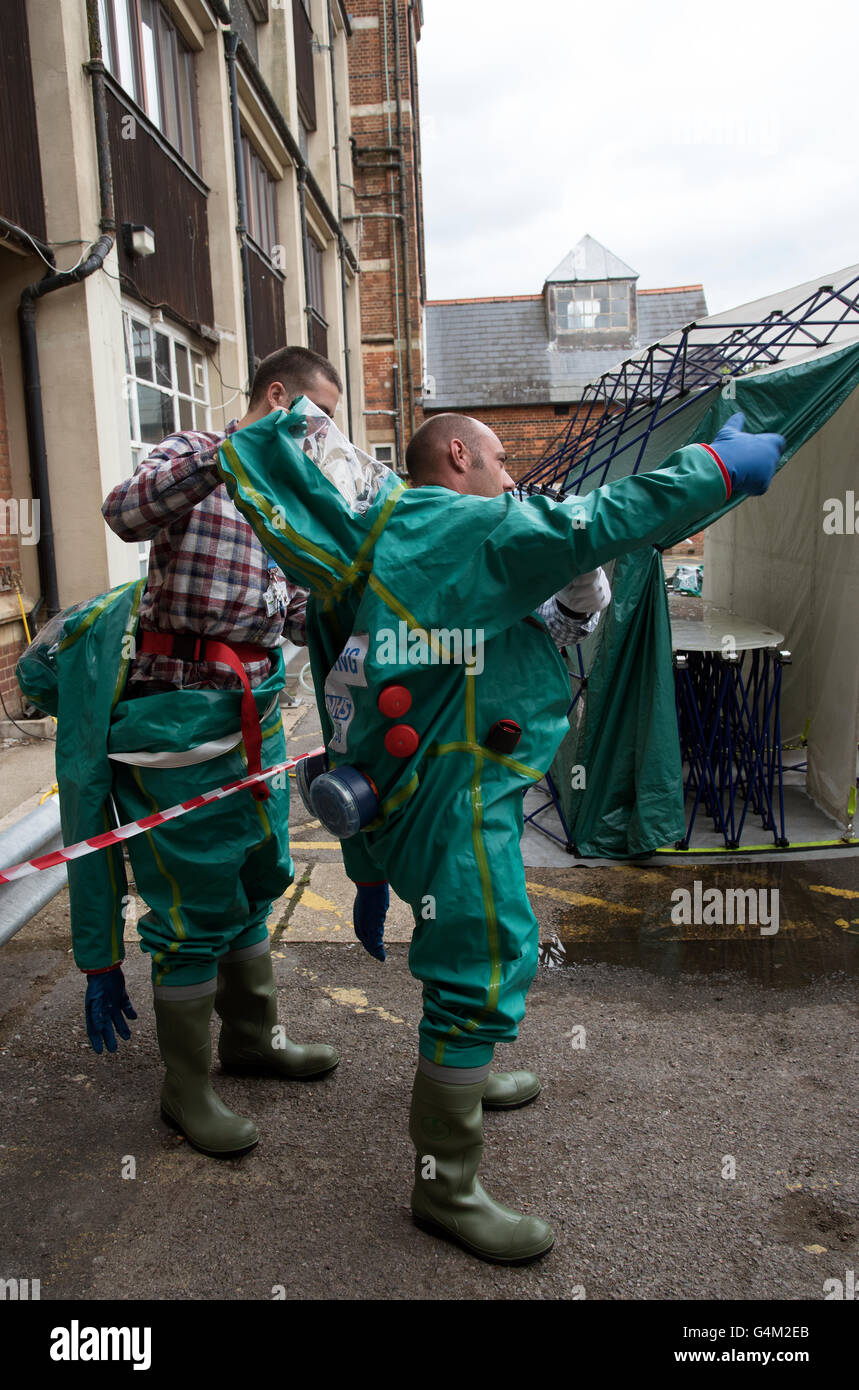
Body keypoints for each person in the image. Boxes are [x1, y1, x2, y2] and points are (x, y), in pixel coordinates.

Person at [214, 402, 785, 1260]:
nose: (512, 480)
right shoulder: (455, 523)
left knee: (478, 953)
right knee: (481, 962)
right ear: (457, 457)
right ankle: (446, 1188)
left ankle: (468, 1078)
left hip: (425, 797)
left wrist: (369, 865)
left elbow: (351, 700)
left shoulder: (385, 541)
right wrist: (718, 466)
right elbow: (597, 518)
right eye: (501, 462)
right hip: (453, 802)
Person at [87, 347, 342, 1159]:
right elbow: (123, 511)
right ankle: (184, 1090)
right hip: (177, 724)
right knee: (193, 903)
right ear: (278, 400)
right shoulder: (197, 455)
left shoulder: (284, 500)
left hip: (255, 720)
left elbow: (296, 611)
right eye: (315, 422)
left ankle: (251, 1042)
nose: (322, 441)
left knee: (252, 879)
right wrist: (232, 451)